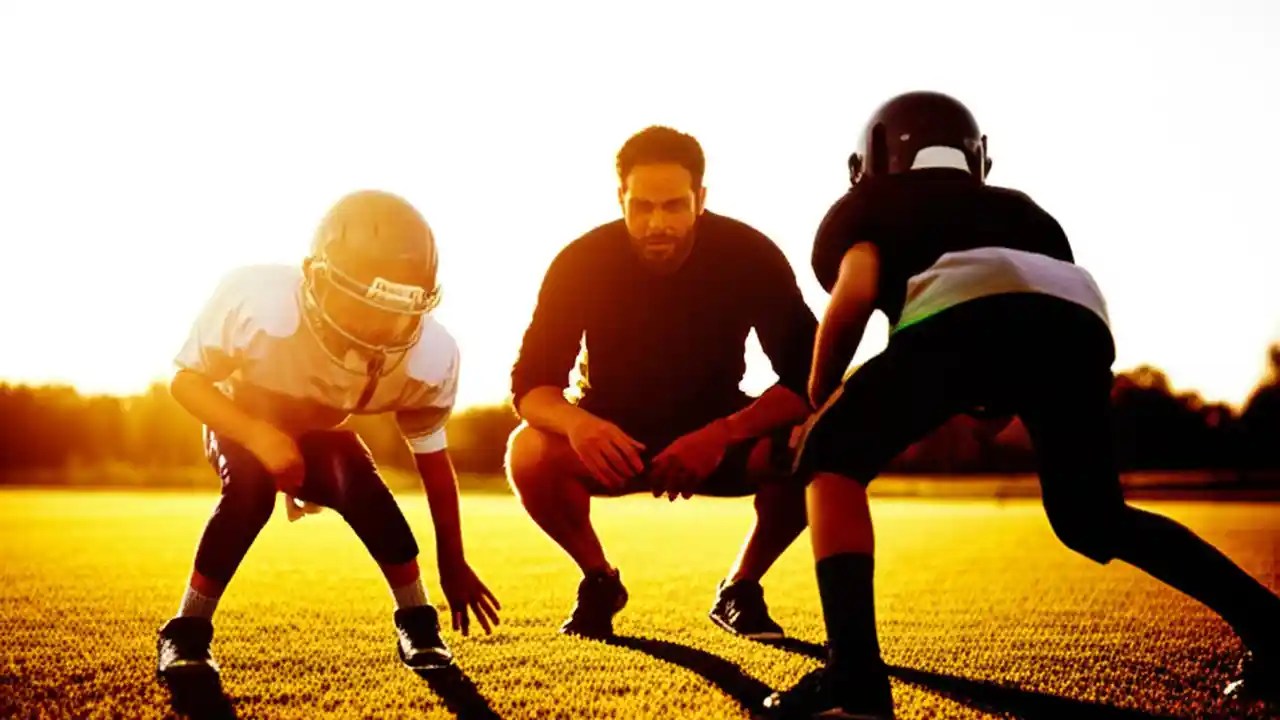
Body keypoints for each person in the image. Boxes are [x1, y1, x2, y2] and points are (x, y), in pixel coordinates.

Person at [762, 91, 1280, 719]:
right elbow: (1026, 314)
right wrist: (992, 401)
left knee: (832, 459)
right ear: (977, 157)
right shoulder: (1026, 211)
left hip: (965, 315)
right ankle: (1272, 629)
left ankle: (853, 683)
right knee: (1093, 517)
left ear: (868, 160)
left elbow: (857, 292)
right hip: (1078, 324)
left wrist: (821, 403)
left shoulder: (868, 206)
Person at [155, 190, 500, 685]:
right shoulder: (260, 302)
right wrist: (259, 436)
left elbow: (434, 463)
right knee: (251, 488)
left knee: (361, 482)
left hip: (319, 433)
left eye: (396, 313)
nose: (379, 328)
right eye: (363, 307)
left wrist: (454, 561)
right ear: (315, 278)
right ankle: (186, 631)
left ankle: (418, 622)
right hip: (239, 416)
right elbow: (186, 382)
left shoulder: (429, 355)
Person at [505, 126, 817, 640]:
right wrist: (579, 425)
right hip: (615, 441)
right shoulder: (580, 261)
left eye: (674, 205)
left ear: (700, 199)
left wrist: (721, 434)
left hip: (719, 439)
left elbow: (809, 379)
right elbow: (530, 387)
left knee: (818, 443)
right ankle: (599, 580)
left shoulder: (749, 254)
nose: (657, 223)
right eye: (642, 206)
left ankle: (740, 588)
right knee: (528, 451)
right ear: (620, 199)